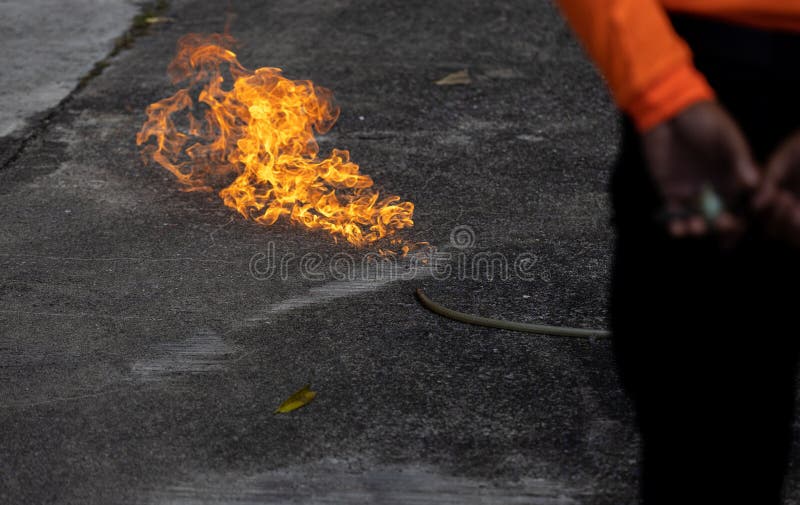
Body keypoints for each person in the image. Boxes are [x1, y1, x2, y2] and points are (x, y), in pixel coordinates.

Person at [554, 2, 800, 503]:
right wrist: (664, 92)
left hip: (697, 64)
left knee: (704, 443)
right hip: (699, 72)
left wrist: (660, 89)